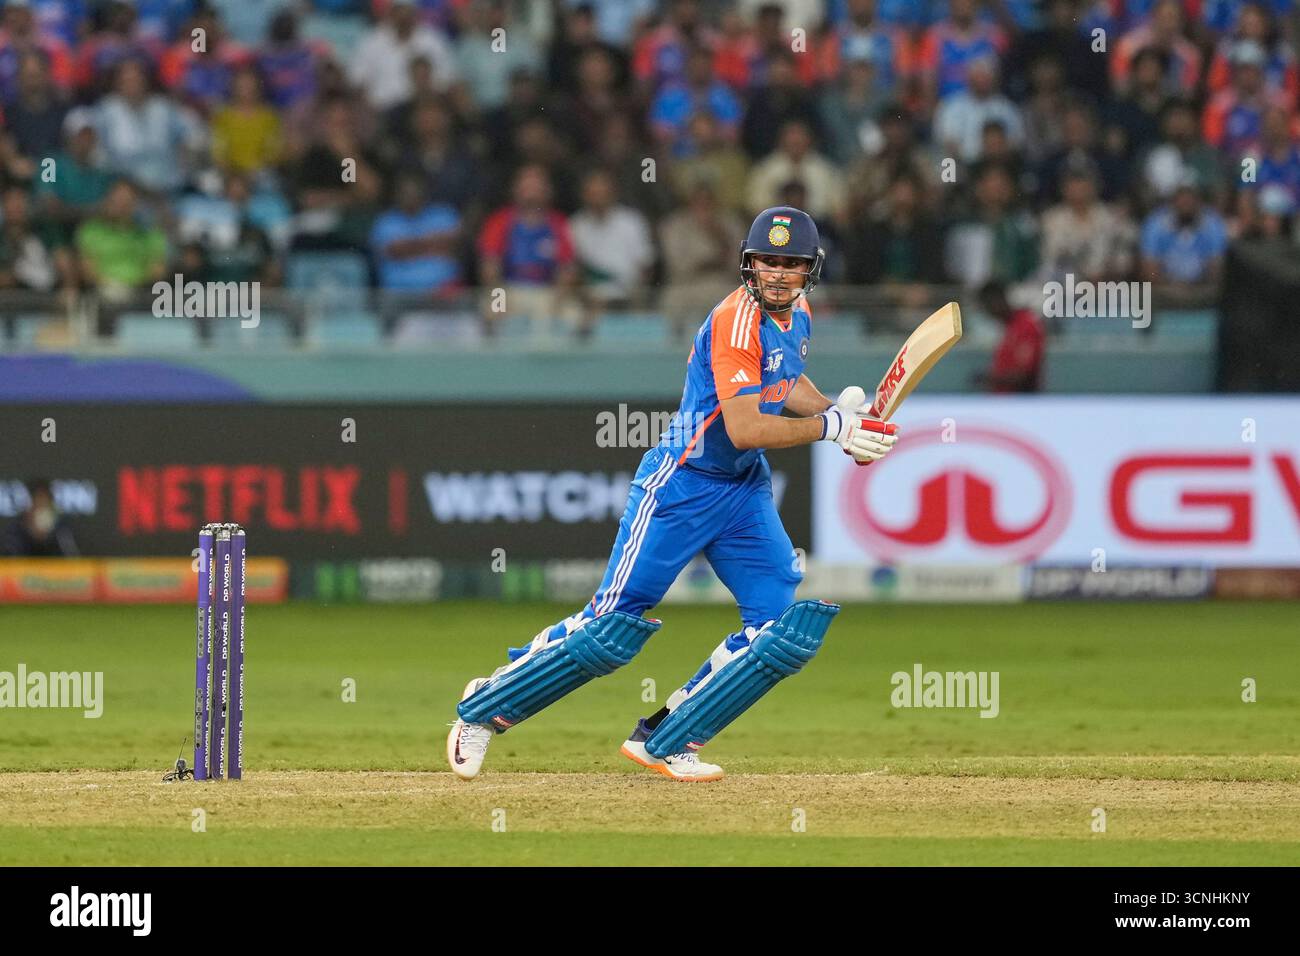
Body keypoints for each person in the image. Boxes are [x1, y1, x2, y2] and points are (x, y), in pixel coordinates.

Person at [447, 206, 900, 782]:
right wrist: (833, 429)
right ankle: (484, 708)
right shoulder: (736, 321)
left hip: (742, 489)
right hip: (681, 485)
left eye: (792, 264)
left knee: (781, 632)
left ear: (810, 270)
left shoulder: (799, 314)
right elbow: (744, 427)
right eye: (769, 261)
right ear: (748, 264)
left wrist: (836, 411)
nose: (779, 274)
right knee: (611, 632)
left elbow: (787, 382)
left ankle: (666, 737)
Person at [976, 281, 1044, 393]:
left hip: (1020, 404)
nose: (989, 313)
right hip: (1004, 403)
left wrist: (989, 378)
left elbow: (1023, 375)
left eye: (987, 306)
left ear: (996, 300)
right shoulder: (1008, 328)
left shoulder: (1026, 325)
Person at [1, 480, 78, 557]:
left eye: (45, 502)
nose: (41, 506)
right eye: (37, 501)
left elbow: (71, 561)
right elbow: (10, 561)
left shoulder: (61, 530)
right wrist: (32, 533)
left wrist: (48, 536)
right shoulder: (15, 530)